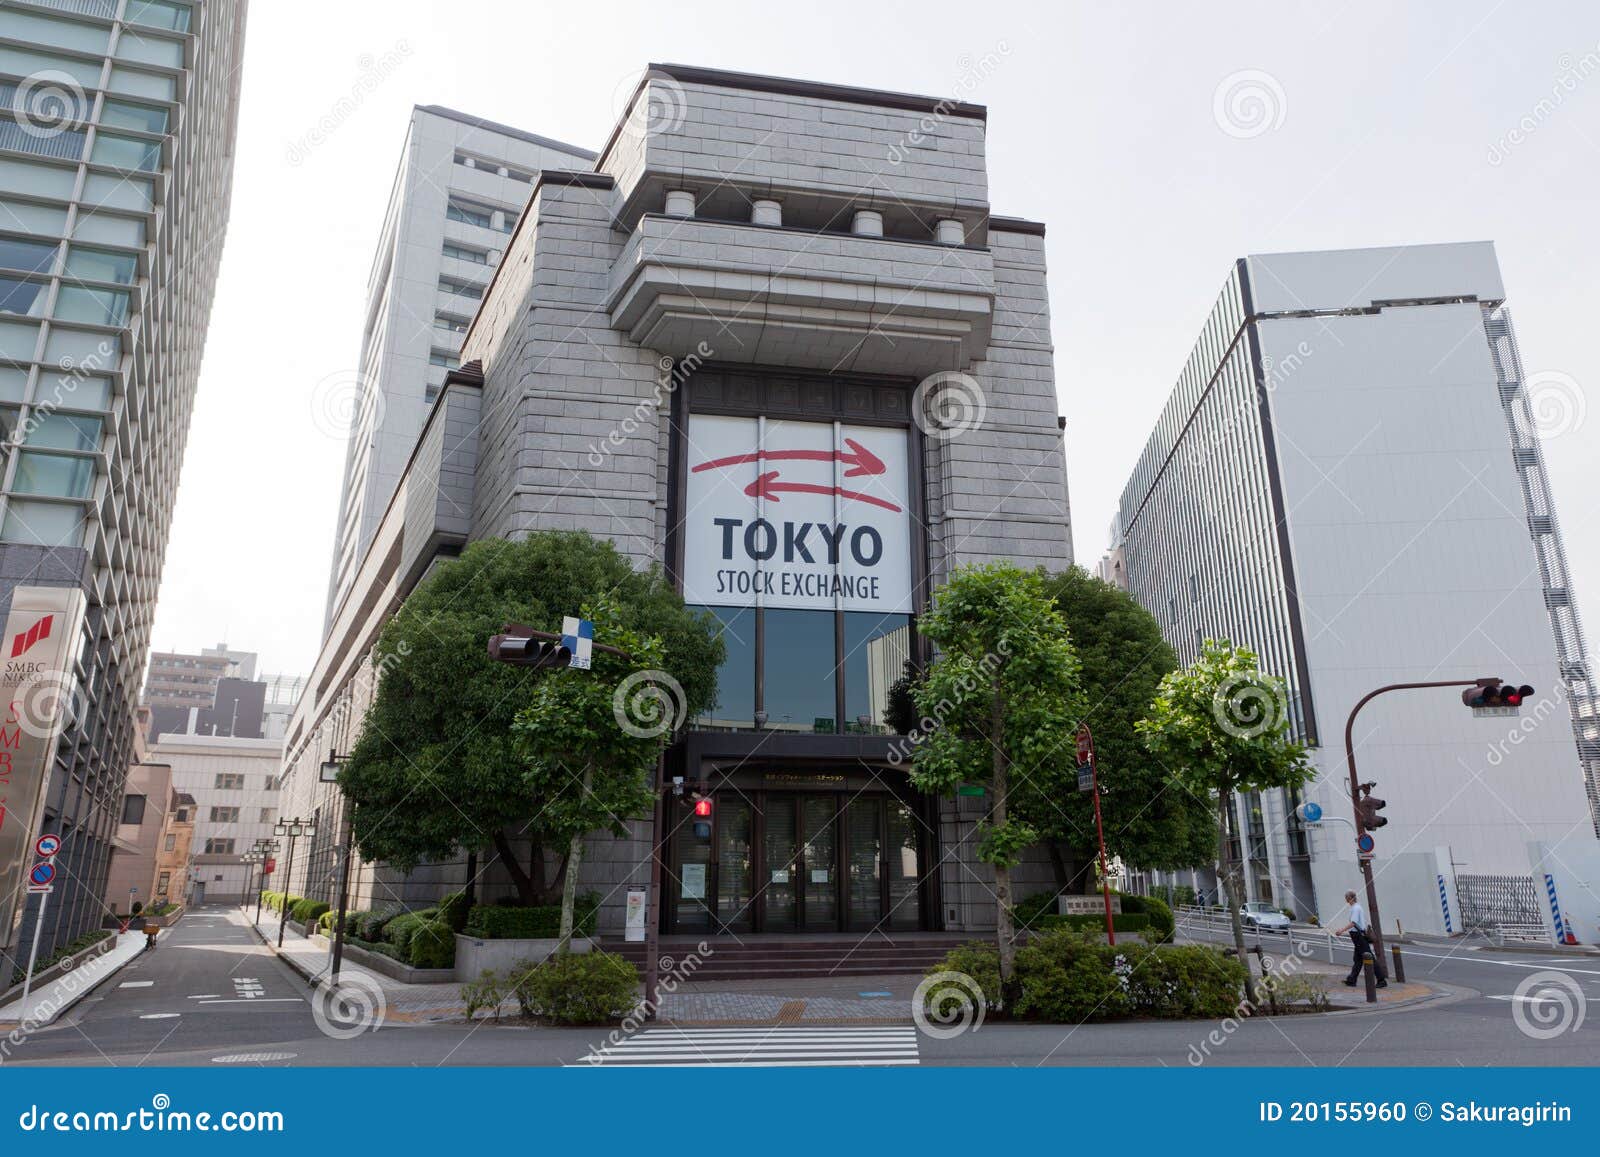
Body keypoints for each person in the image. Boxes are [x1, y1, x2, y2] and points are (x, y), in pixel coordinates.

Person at [1333, 889, 1387, 988]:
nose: (1346, 900)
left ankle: (1381, 979)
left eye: (1347, 898)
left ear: (1350, 898)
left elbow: (1353, 922)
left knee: (1369, 956)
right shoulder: (1356, 907)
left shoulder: (1356, 908)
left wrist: (1341, 930)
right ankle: (1352, 979)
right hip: (1358, 936)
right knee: (1358, 959)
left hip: (1358, 936)